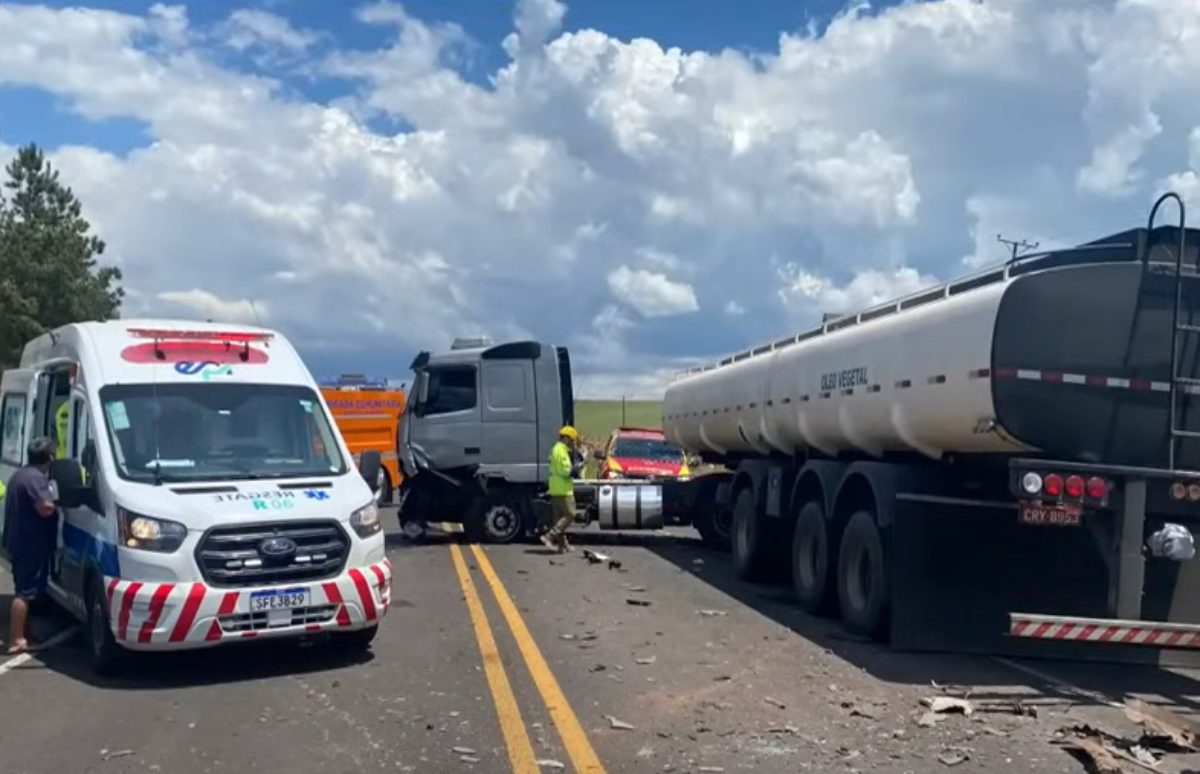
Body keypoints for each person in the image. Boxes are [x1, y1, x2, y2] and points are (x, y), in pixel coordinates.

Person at [4, 436, 59, 655]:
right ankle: (17, 639)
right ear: (49, 458)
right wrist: (56, 504)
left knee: (25, 588)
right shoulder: (36, 479)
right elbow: (44, 507)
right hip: (29, 544)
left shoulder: (20, 475)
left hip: (17, 541)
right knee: (24, 593)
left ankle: (23, 631)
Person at [541, 425, 580, 553]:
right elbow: (565, 471)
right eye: (572, 440)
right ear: (567, 438)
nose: (572, 443)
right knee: (570, 514)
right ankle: (549, 536)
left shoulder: (555, 449)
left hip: (555, 488)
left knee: (559, 520)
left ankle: (563, 546)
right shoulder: (561, 451)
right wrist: (577, 468)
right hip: (563, 489)